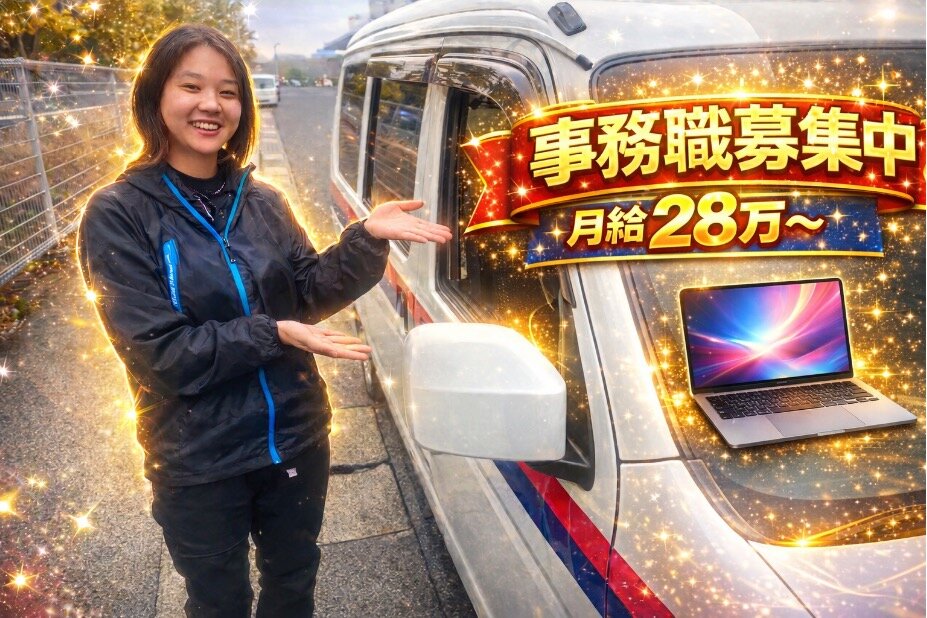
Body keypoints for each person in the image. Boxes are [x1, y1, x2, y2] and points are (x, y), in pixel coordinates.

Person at [76, 24, 451, 618]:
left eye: (228, 92)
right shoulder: (118, 212)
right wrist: (271, 332)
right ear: (155, 96)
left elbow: (306, 293)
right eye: (191, 86)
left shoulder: (263, 199)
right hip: (198, 460)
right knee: (218, 599)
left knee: (294, 578)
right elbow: (158, 354)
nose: (211, 105)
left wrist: (366, 238)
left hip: (297, 438)